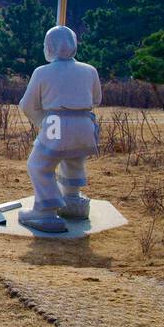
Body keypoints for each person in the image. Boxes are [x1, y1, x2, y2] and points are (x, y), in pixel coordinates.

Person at [17, 26, 103, 233]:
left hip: (56, 121)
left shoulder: (42, 72)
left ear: (49, 46)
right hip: (84, 124)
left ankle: (45, 212)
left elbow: (26, 105)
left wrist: (43, 122)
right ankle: (73, 202)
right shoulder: (90, 70)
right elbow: (97, 100)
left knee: (39, 165)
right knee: (73, 160)